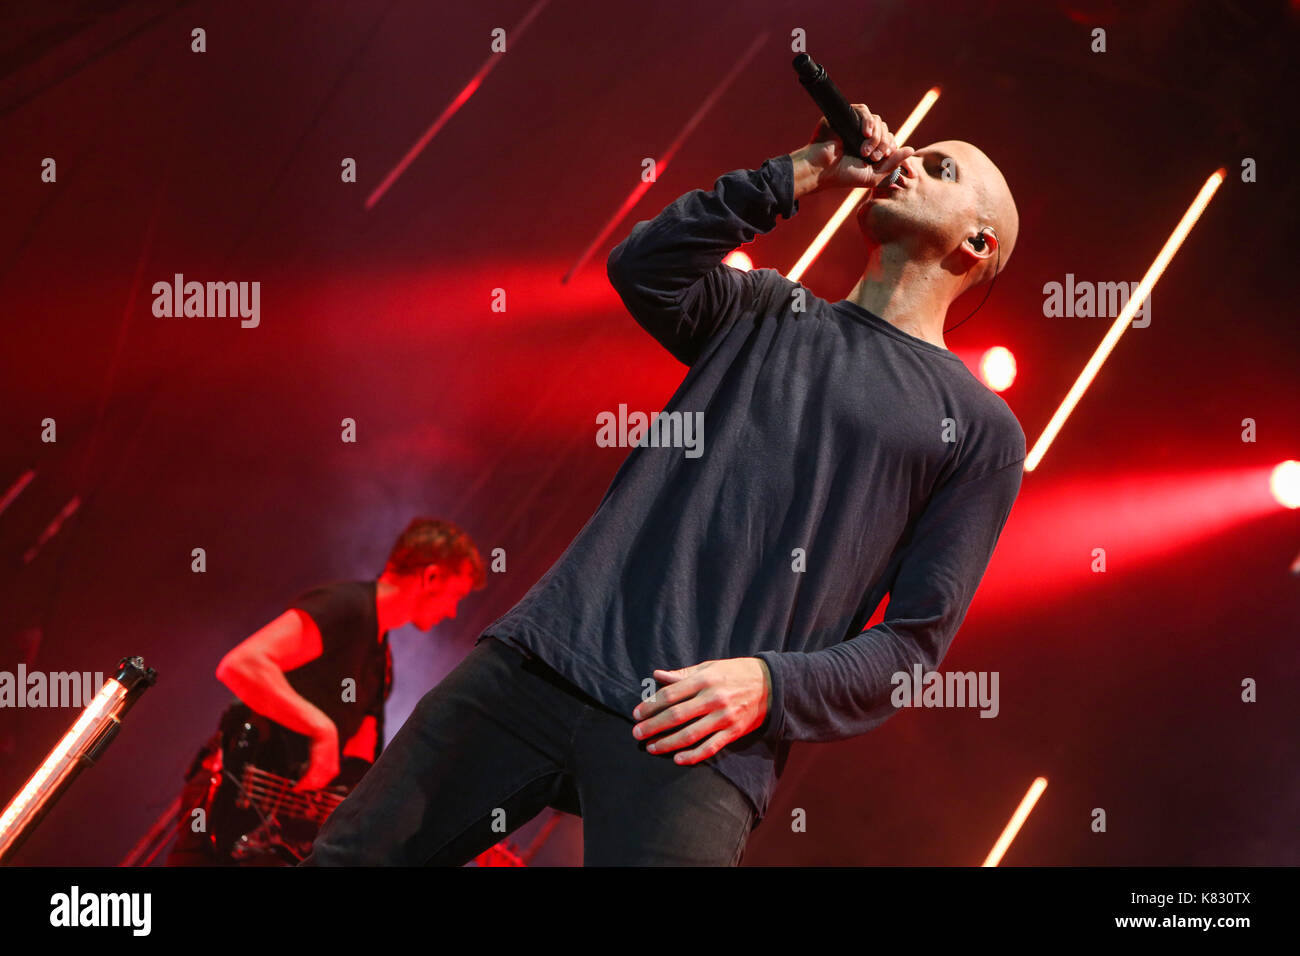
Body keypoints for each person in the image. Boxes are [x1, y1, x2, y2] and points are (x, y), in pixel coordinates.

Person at [304, 102, 1025, 866]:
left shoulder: (981, 430)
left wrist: (769, 686)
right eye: (912, 150)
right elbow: (643, 267)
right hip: (546, 660)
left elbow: (911, 647)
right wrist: (800, 172)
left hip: (701, 730)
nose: (907, 161)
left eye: (940, 168)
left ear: (978, 243)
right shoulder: (768, 307)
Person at [166, 517, 484, 865]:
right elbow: (241, 665)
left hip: (274, 833)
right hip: (232, 802)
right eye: (457, 595)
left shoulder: (382, 661)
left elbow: (358, 768)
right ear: (432, 577)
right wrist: (321, 729)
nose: (453, 611)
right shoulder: (346, 607)